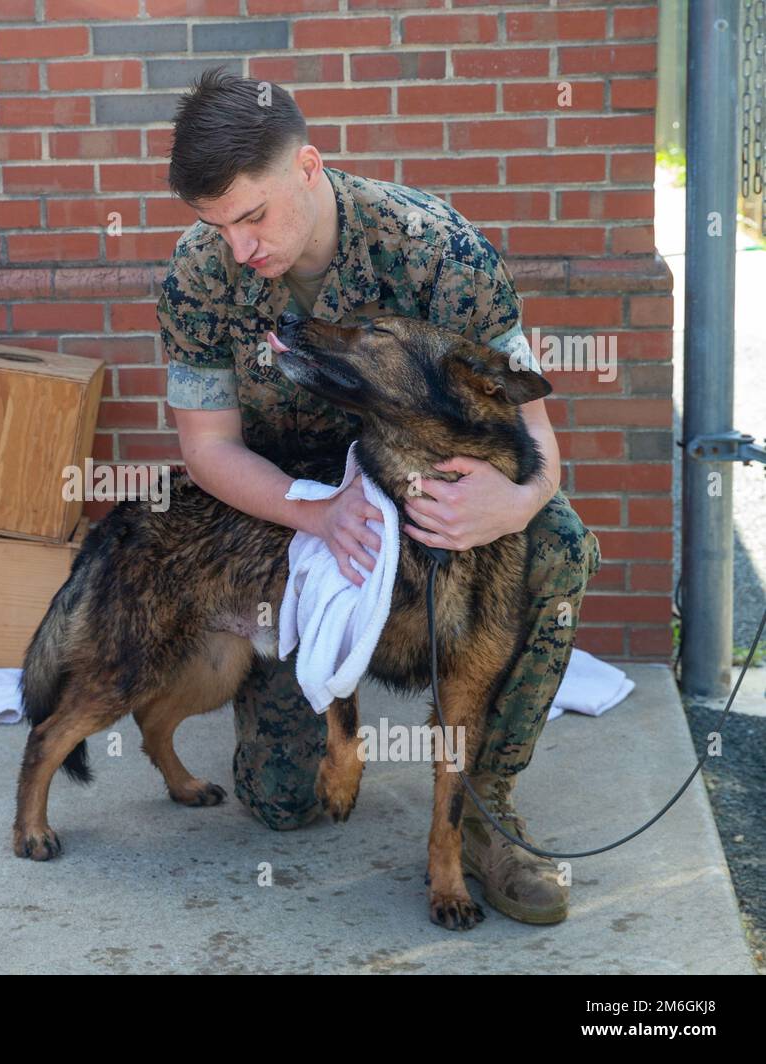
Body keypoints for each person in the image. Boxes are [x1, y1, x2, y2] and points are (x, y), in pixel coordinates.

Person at [156, 68, 601, 925]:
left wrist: (514, 502)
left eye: (253, 217)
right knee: (283, 801)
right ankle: (303, 698)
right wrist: (313, 512)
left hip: (423, 483)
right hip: (295, 510)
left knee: (561, 547)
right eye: (216, 226)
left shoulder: (436, 247)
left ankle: (483, 805)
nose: (240, 248)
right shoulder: (198, 280)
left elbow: (535, 433)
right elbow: (207, 449)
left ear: (309, 166)